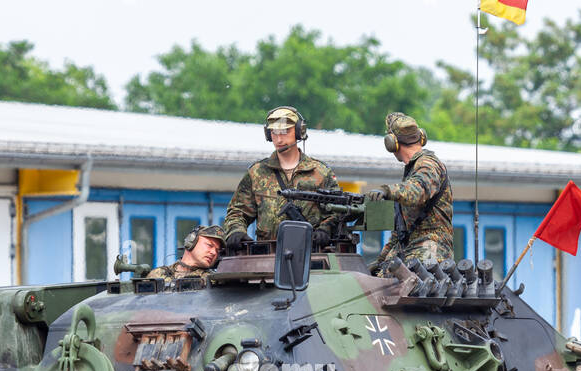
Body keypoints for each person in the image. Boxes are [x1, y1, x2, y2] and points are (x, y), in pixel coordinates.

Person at [223, 106, 341, 249]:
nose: (279, 139)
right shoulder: (257, 173)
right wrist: (236, 231)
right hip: (268, 257)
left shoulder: (320, 172)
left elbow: (338, 210)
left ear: (299, 131)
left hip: (311, 255)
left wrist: (325, 229)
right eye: (274, 132)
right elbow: (238, 212)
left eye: (285, 131)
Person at [366, 112, 454, 268]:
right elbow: (401, 230)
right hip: (410, 246)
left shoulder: (428, 164)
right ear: (421, 136)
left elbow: (416, 191)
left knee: (407, 284)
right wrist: (381, 262)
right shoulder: (413, 169)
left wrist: (387, 191)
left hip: (430, 248)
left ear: (392, 143)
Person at [147, 225, 226, 285]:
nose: (214, 252)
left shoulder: (213, 281)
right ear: (191, 242)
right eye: (209, 245)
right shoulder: (158, 274)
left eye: (217, 250)